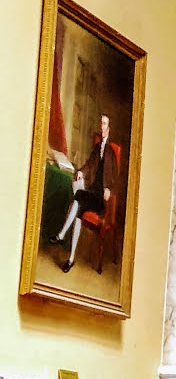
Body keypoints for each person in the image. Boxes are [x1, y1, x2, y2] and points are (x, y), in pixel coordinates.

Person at [53, 113, 117, 273]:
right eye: (100, 123)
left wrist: (109, 188)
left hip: (100, 199)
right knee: (77, 208)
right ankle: (71, 259)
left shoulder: (111, 153)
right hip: (90, 193)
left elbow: (115, 179)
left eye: (104, 124)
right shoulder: (97, 148)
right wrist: (81, 171)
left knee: (78, 196)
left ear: (109, 127)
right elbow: (89, 164)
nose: (101, 126)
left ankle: (61, 234)